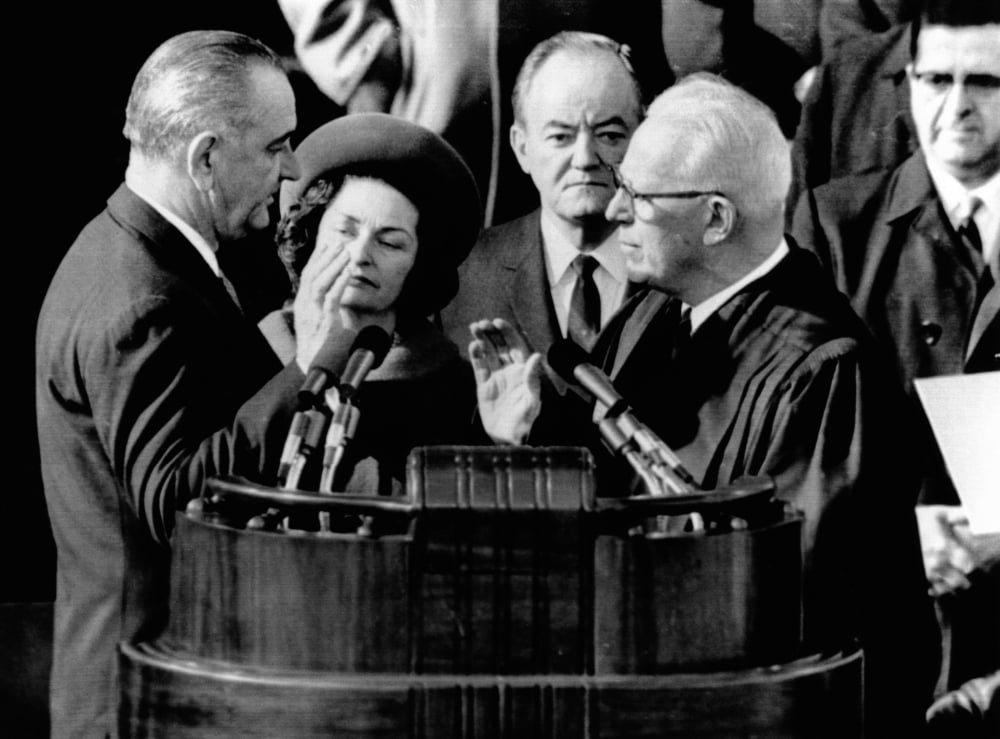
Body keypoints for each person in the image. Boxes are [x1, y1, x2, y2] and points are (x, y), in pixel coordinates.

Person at [470, 73, 939, 736]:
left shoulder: (821, 369)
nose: (614, 212)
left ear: (716, 218)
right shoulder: (656, 311)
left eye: (638, 195)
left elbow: (786, 607)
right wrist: (533, 433)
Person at [34, 30, 352, 737]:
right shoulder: (142, 299)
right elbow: (177, 502)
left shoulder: (132, 250)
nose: (294, 166)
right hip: (139, 701)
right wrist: (312, 364)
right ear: (206, 155)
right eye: (276, 146)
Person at [791, 0, 1000, 699]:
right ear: (907, 82)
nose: (958, 107)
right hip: (880, 625)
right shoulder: (836, 229)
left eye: (988, 84)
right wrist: (904, 533)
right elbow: (798, 441)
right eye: (936, 81)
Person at [273, 113, 483, 496]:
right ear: (311, 233)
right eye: (345, 230)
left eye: (389, 242)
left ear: (419, 265)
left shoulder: (451, 383)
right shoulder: (256, 350)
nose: (360, 254)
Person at [441, 31, 642, 363]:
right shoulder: (461, 279)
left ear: (640, 138)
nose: (584, 158)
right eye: (560, 137)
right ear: (522, 147)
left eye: (609, 135)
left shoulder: (680, 269)